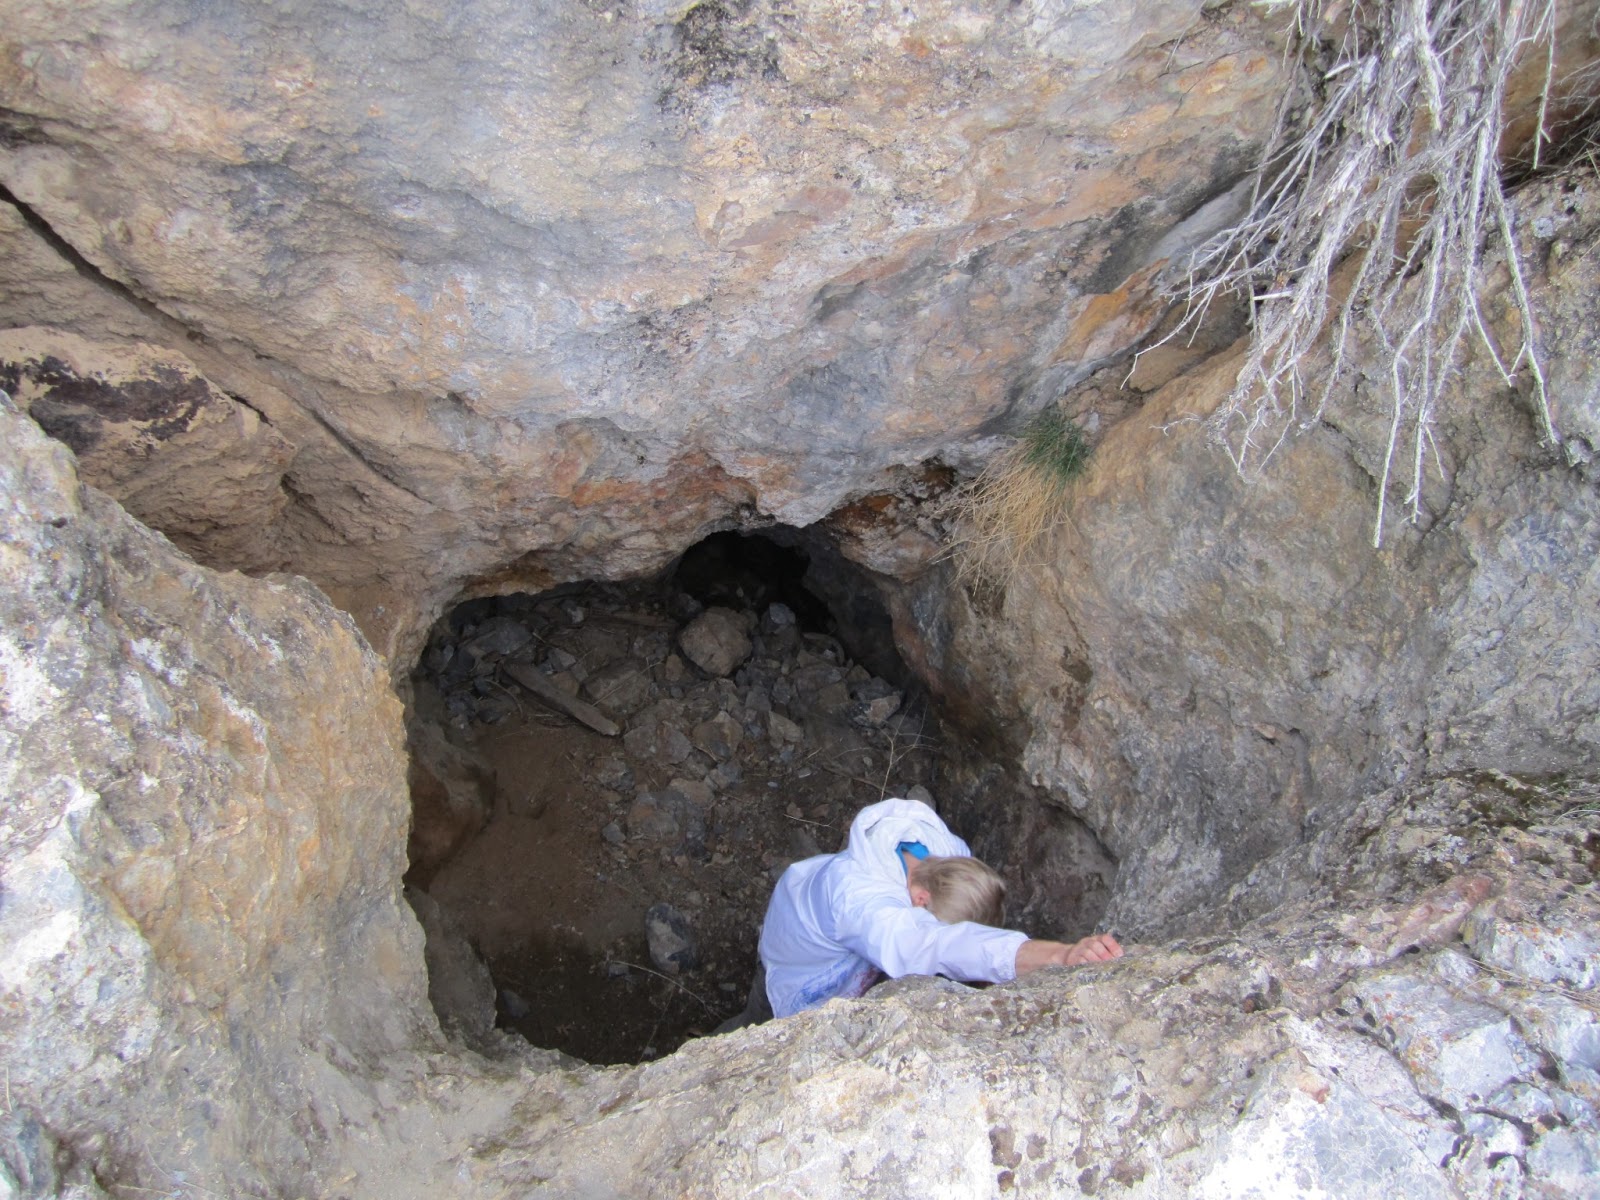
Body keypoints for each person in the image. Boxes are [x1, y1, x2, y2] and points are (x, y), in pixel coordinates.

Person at [736, 796, 1122, 1025]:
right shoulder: (860, 903)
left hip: (811, 910)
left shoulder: (942, 850)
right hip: (794, 962)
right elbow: (935, 945)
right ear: (920, 901)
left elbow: (956, 933)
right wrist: (1061, 955)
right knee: (758, 1020)